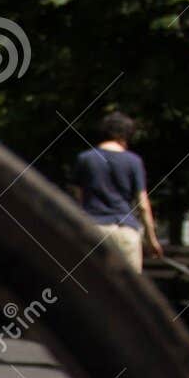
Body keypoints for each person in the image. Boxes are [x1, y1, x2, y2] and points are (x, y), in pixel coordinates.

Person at [68, 110, 163, 272]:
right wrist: (151, 239)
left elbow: (78, 198)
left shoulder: (86, 159)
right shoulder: (133, 161)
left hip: (94, 229)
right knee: (129, 286)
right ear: (125, 135)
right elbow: (142, 205)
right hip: (125, 230)